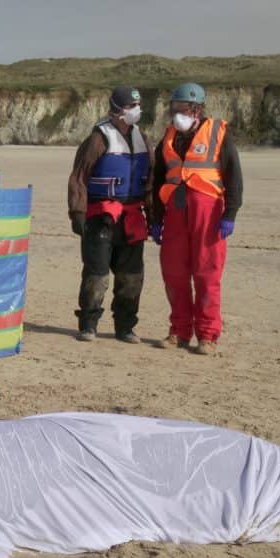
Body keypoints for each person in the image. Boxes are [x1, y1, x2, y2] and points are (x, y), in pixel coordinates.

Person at [149, 82, 244, 356]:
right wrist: (156, 219)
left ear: (197, 109)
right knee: (174, 274)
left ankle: (207, 335)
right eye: (174, 107)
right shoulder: (167, 138)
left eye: (183, 107)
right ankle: (179, 331)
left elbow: (234, 177)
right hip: (175, 213)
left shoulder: (218, 134)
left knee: (207, 275)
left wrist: (230, 214)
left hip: (209, 213)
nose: (177, 112)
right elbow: (157, 182)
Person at [67, 85, 151, 344]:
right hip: (101, 215)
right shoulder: (98, 139)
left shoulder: (143, 139)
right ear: (116, 110)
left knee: (132, 275)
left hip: (133, 215)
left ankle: (125, 326)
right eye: (130, 107)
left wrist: (155, 215)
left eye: (137, 106)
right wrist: (77, 212)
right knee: (97, 273)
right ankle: (88, 324)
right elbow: (79, 176)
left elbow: (151, 181)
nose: (135, 111)